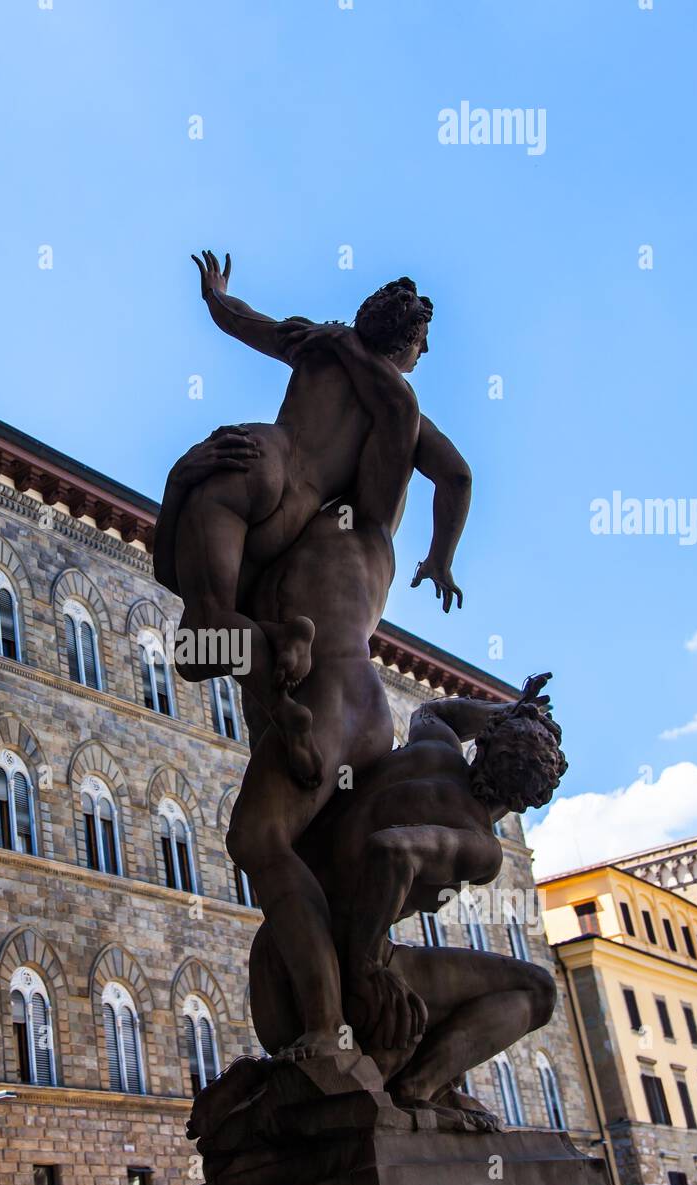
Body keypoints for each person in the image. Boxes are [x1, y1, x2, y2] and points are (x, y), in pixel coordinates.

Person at [153, 253, 470, 786]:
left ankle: (279, 644)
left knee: (198, 640)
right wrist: (441, 559)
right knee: (199, 642)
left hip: (255, 455)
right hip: (296, 512)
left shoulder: (319, 346)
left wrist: (215, 295)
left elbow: (245, 322)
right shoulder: (400, 410)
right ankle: (283, 656)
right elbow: (457, 478)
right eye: (423, 341)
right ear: (404, 342)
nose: (427, 350)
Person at [249, 675, 567, 1128]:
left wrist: (511, 713)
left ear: (489, 741)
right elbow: (392, 851)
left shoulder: (434, 747)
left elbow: (435, 710)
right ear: (525, 801)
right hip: (343, 980)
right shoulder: (479, 845)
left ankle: (435, 1085)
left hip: (279, 961)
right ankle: (417, 1090)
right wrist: (365, 965)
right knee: (539, 989)